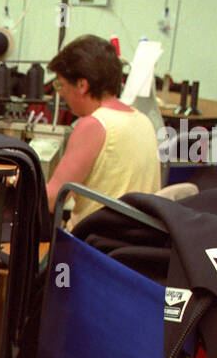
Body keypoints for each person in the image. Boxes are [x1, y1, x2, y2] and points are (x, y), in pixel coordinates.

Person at [44, 35, 161, 226]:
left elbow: (53, 200)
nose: (61, 94)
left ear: (82, 85)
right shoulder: (144, 121)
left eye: (61, 85)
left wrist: (15, 185)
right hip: (134, 244)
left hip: (92, 245)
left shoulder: (94, 125)